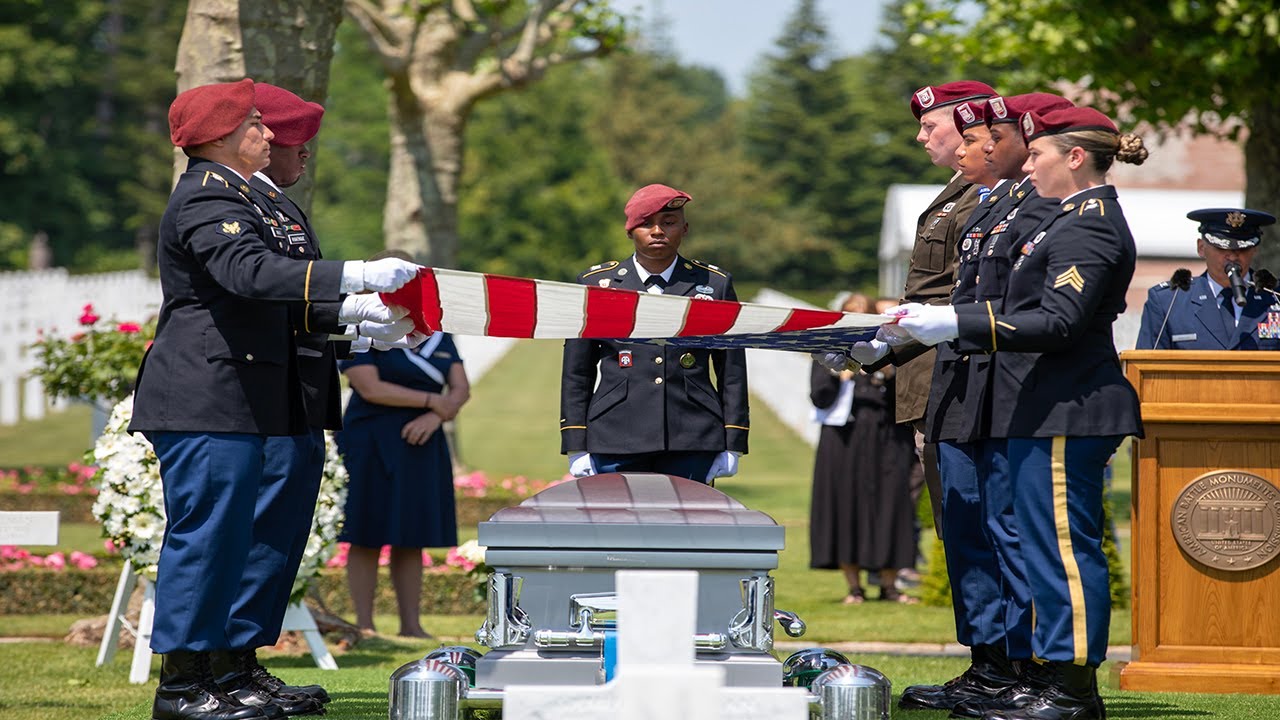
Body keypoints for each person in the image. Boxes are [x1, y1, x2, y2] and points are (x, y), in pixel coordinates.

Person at [129, 79, 422, 720]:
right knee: (209, 540)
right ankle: (182, 686)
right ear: (219, 136)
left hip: (261, 397)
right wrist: (357, 276)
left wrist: (357, 324)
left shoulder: (252, 200)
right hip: (211, 397)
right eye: (256, 124)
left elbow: (277, 309)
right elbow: (249, 276)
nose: (270, 133)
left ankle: (236, 670)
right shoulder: (209, 197)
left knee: (263, 542)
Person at [892, 105, 1149, 720]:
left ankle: (1072, 689)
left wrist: (958, 320)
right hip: (1040, 406)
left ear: (1075, 157)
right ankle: (1049, 680)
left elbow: (1060, 322)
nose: (1025, 163)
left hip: (1069, 407)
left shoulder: (1089, 224)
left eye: (1037, 154)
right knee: (1041, 547)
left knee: (1061, 548)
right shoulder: (1061, 222)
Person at [902, 93, 1077, 717]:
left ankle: (1025, 670)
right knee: (968, 531)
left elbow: (1007, 305)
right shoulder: (985, 200)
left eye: (934, 127)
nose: (927, 139)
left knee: (1005, 531)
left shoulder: (1035, 204)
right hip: (954, 378)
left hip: (995, 383)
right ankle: (992, 665)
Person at [559, 183, 749, 484]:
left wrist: (734, 441)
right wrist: (575, 443)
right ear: (630, 230)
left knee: (687, 530)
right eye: (646, 223)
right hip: (615, 435)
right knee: (620, 527)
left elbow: (732, 370)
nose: (658, 231)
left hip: (692, 435)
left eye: (669, 222)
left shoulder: (714, 285)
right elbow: (576, 372)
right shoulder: (596, 285)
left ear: (684, 228)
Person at [336, 249, 471, 638]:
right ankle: (364, 625)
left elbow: (460, 388)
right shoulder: (358, 318)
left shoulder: (437, 327)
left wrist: (434, 416)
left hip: (422, 440)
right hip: (370, 439)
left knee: (412, 534)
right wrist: (432, 402)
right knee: (365, 533)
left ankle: (412, 625)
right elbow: (368, 386)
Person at [808, 293, 919, 605]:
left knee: (891, 507)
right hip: (844, 440)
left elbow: (905, 394)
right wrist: (838, 375)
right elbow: (818, 396)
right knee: (846, 507)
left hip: (886, 439)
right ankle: (854, 587)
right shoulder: (829, 350)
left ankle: (890, 585)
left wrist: (884, 373)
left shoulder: (887, 351)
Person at [1135, 208, 1279, 349]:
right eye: (1222, 248)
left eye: (1242, 249)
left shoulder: (1275, 298)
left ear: (1254, 249)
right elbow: (1147, 366)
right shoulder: (1169, 302)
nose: (1233, 256)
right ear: (1201, 248)